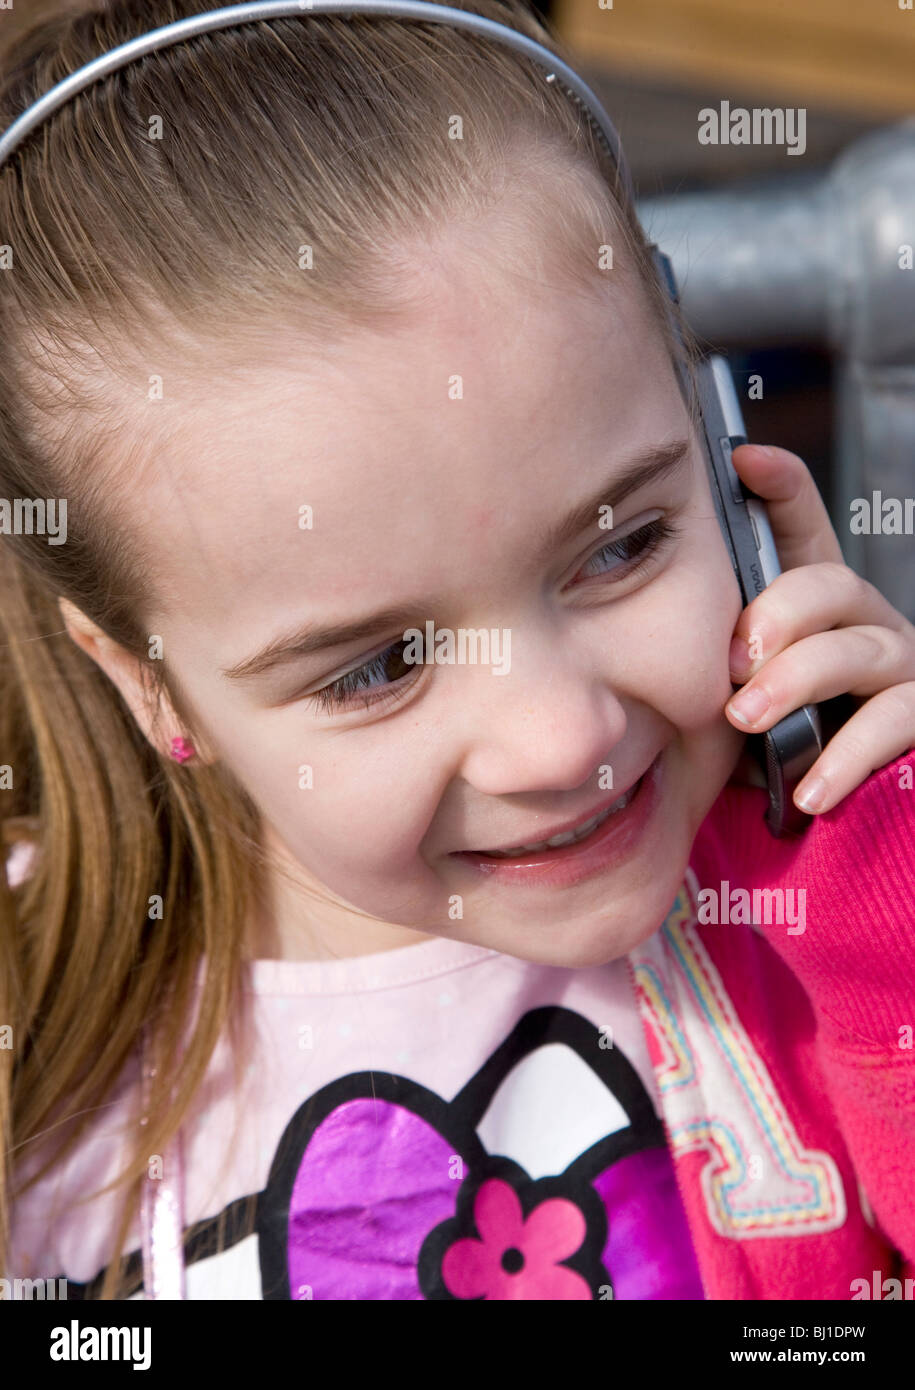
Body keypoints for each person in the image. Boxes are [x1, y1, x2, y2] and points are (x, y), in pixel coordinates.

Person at [1, 0, 913, 1301]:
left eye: (621, 545)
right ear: (149, 681)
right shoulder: (37, 1033)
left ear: (717, 451)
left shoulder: (818, 905)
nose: (565, 735)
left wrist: (885, 888)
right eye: (376, 666)